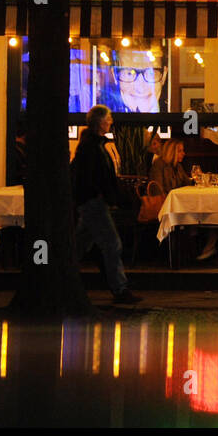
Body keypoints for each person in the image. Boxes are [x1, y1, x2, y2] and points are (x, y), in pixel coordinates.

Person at [72, 105, 142, 304]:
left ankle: (57, 276)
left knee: (79, 244)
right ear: (101, 122)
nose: (111, 121)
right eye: (109, 118)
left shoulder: (91, 145)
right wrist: (109, 196)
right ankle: (120, 288)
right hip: (94, 201)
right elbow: (97, 176)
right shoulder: (92, 147)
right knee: (112, 244)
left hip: (91, 201)